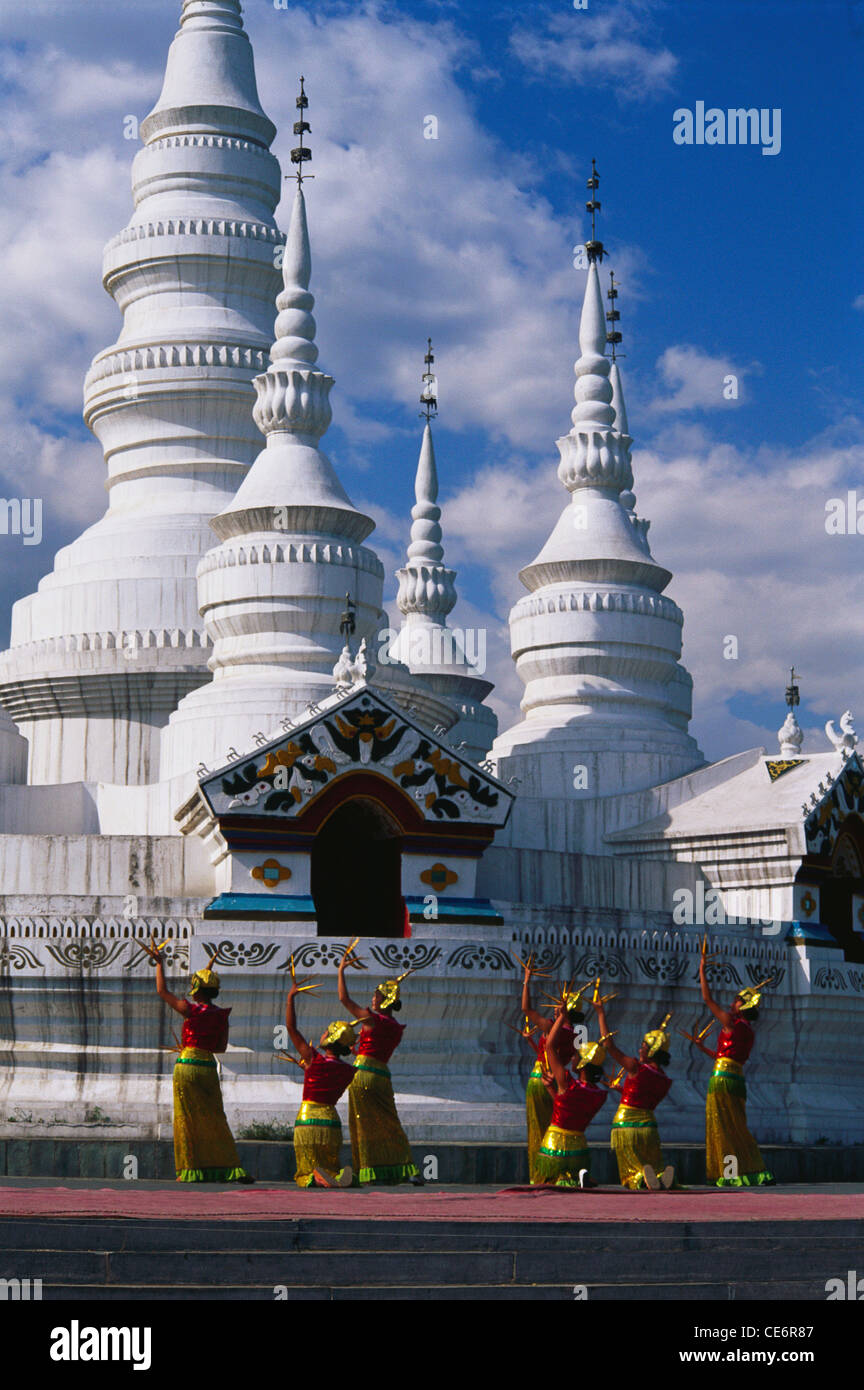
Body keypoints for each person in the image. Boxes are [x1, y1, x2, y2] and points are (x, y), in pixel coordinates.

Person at [143, 940, 252, 1183]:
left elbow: (162, 991)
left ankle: (191, 1170)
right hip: (207, 1065)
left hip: (186, 1064)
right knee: (214, 1116)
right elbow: (220, 1048)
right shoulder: (221, 1015)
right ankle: (229, 1167)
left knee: (186, 1117)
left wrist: (159, 964)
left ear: (196, 990)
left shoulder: (189, 1010)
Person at [337, 938, 421, 1185]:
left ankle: (369, 1171)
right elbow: (372, 1050)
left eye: (376, 997)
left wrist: (341, 970)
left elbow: (344, 999)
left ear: (383, 1000)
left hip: (361, 1075)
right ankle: (407, 1169)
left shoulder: (372, 1020)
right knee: (389, 1121)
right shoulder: (395, 1027)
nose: (372, 1000)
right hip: (382, 1075)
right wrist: (354, 1049)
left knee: (363, 1125)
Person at [695, 944, 775, 1187]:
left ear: (744, 1006)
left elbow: (707, 998)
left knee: (723, 1127)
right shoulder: (748, 1031)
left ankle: (731, 1174)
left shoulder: (731, 1022)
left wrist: (702, 970)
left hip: (721, 1080)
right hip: (736, 1078)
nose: (733, 1002)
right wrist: (704, 1049)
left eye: (738, 1000)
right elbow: (727, 1057)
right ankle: (752, 1170)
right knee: (737, 1125)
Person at [516, 953, 589, 1184]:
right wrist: (531, 1042)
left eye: (559, 1007)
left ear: (565, 1011)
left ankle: (542, 1175)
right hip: (560, 1083)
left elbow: (526, 1009)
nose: (555, 1009)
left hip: (539, 1081)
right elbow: (576, 1064)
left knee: (540, 1128)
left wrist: (527, 979)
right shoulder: (579, 1034)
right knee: (556, 1128)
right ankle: (562, 1172)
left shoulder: (550, 1026)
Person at [594, 990, 675, 1191]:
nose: (639, 1050)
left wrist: (600, 1014)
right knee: (653, 1163)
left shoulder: (634, 1067)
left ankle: (640, 1179)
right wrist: (622, 1088)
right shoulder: (665, 1080)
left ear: (652, 1051)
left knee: (631, 1170)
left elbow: (609, 1046)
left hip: (626, 1125)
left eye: (643, 1047)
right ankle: (659, 1176)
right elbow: (642, 1097)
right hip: (648, 1126)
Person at [284, 970, 356, 1189]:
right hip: (331, 1123)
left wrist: (290, 998)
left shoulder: (314, 1058)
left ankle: (314, 1177)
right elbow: (327, 1076)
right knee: (331, 1167)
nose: (322, 1034)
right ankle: (334, 1176)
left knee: (305, 1171)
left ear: (330, 1039)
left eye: (326, 1032)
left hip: (308, 1120)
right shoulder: (349, 1071)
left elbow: (291, 1028)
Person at [533, 1012, 610, 1189]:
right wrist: (551, 1089)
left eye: (576, 1056)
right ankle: (577, 1177)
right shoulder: (599, 1094)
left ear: (582, 1064)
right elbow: (566, 1107)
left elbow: (549, 1046)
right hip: (578, 1147)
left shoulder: (567, 1082)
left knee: (550, 1183)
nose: (573, 1058)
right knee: (567, 1179)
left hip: (556, 1143)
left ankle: (569, 1179)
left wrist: (561, 1017)